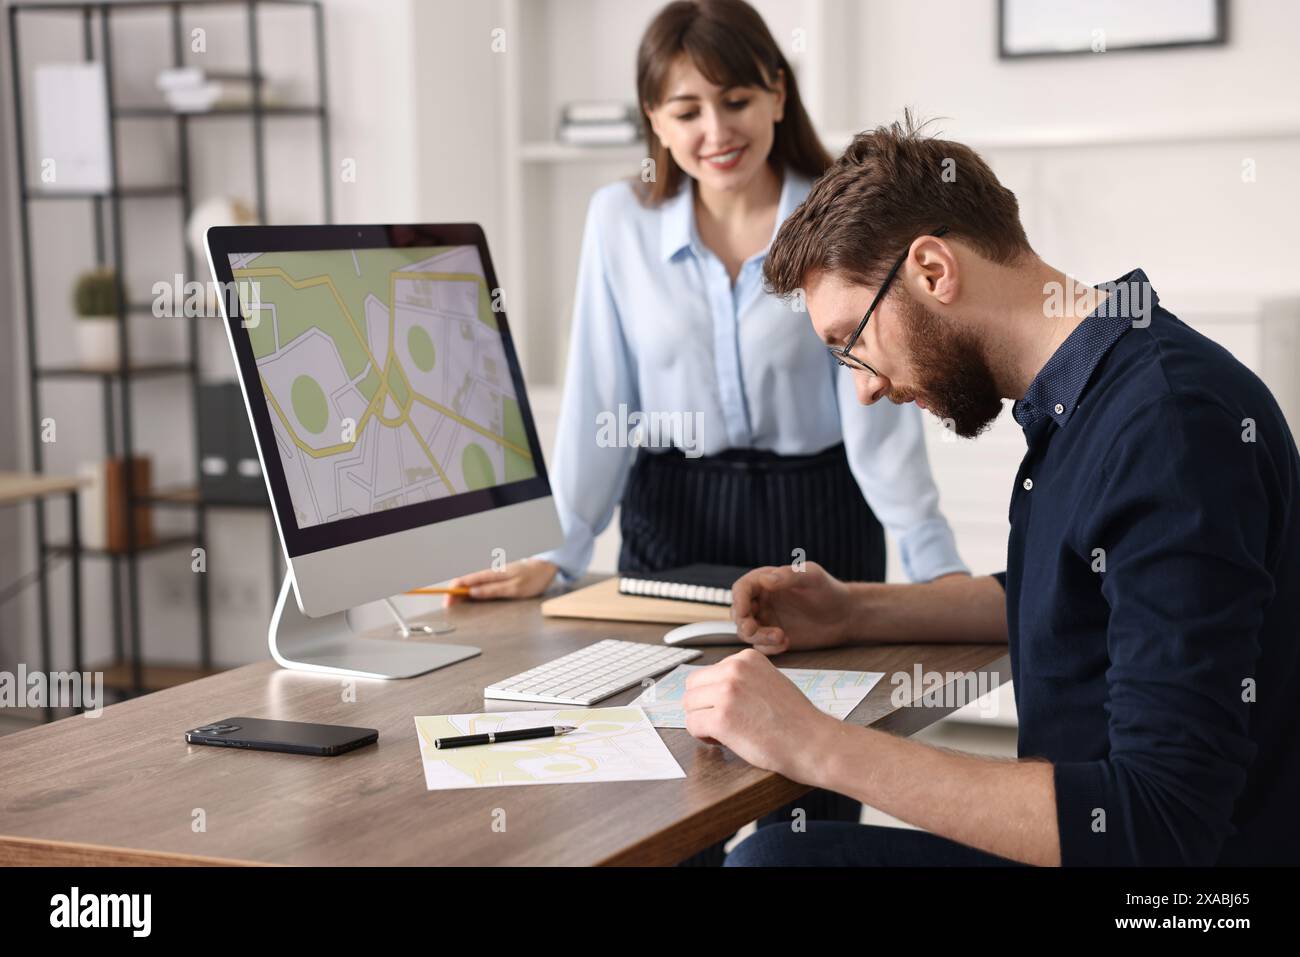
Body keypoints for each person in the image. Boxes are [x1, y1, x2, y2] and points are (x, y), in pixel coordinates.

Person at [684, 114, 1300, 867]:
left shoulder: (1170, 428)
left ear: (934, 270)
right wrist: (855, 609)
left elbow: (1159, 824)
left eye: (854, 344)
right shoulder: (1097, 392)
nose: (868, 390)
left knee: (772, 863)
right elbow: (1079, 591)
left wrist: (813, 743)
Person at [448, 3, 969, 862]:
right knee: (668, 795)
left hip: (819, 527)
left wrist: (938, 571)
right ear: (653, 120)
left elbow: (876, 412)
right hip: (672, 524)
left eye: (733, 100)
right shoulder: (617, 222)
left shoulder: (840, 219)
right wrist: (565, 547)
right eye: (685, 111)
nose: (714, 131)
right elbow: (599, 399)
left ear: (776, 92)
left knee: (806, 804)